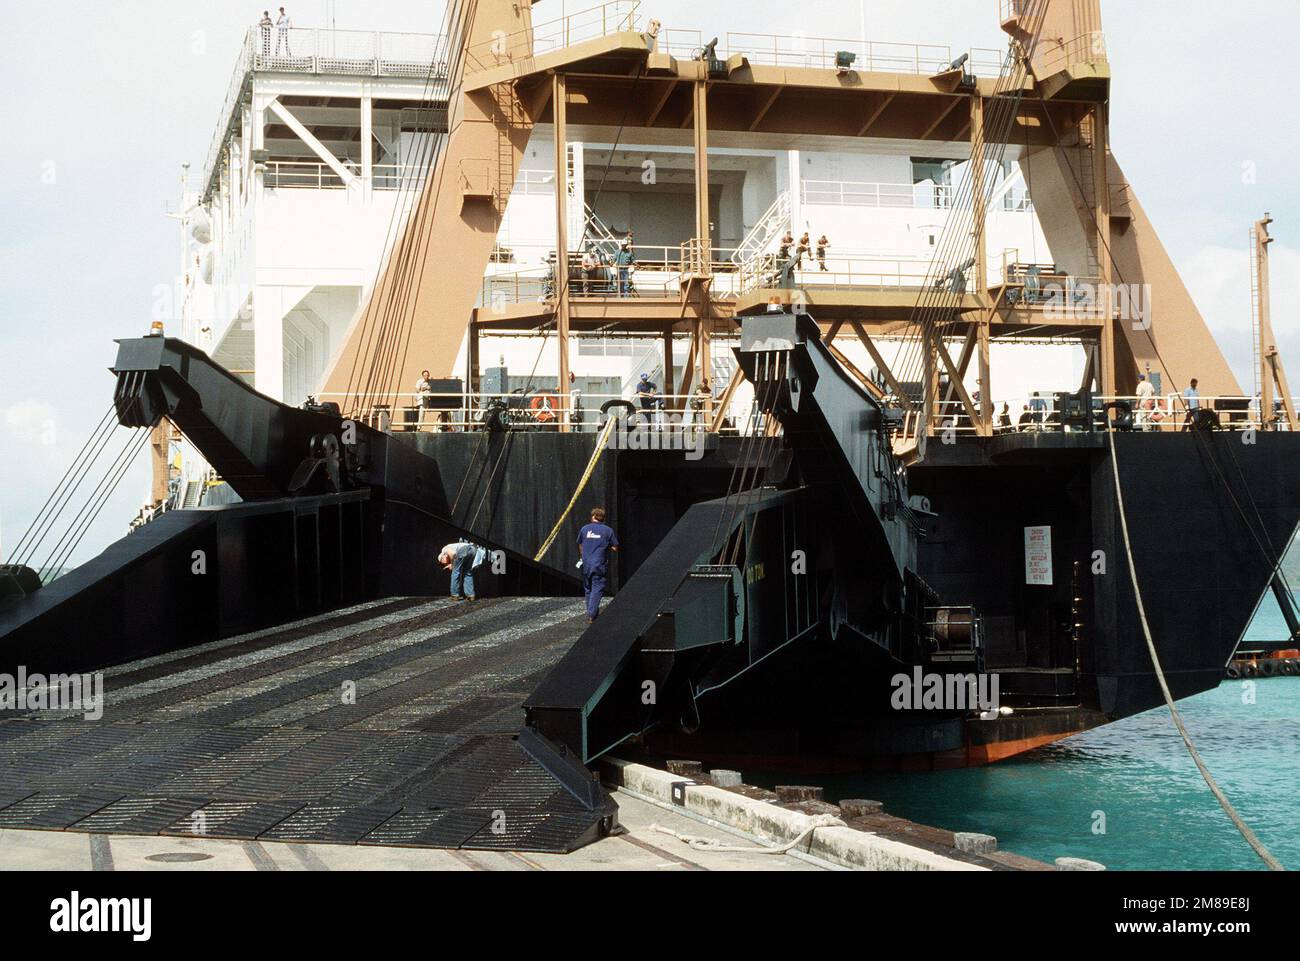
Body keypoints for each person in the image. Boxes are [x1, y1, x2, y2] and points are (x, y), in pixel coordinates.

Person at [577, 508, 619, 623]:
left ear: (593, 516)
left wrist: (584, 555)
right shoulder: (608, 530)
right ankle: (591, 614)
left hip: (586, 564)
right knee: (597, 588)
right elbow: (615, 547)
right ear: (603, 517)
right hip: (599, 564)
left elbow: (580, 544)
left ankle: (591, 612)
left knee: (588, 588)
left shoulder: (585, 529)